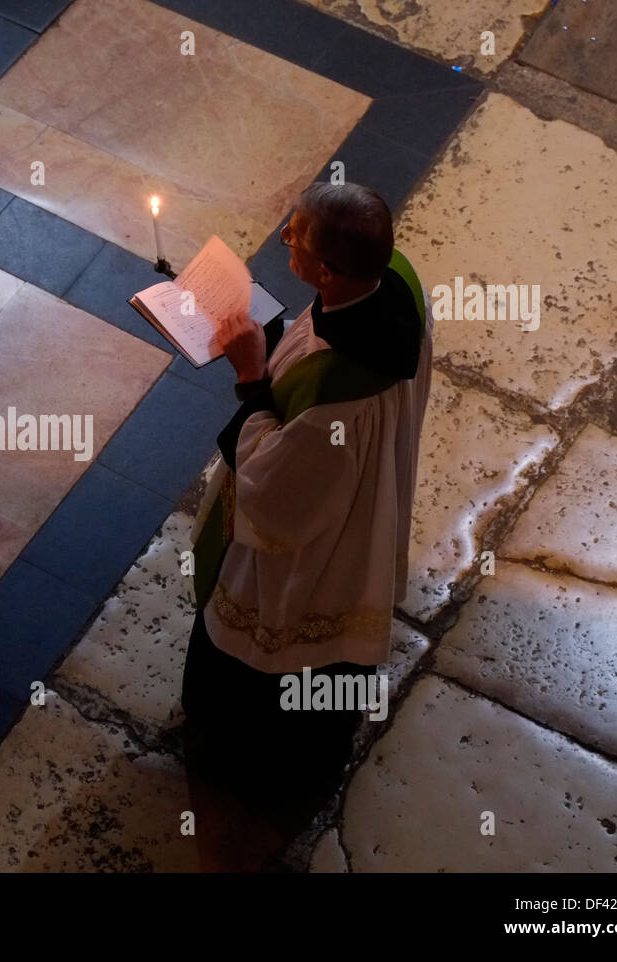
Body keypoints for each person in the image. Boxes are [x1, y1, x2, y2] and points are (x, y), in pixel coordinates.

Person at [182, 182, 433, 798]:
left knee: (281, 632)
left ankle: (259, 774)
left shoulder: (335, 395)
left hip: (314, 542)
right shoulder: (396, 279)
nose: (284, 238)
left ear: (326, 270)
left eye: (294, 234)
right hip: (356, 485)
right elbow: (312, 340)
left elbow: (274, 497)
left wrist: (248, 375)